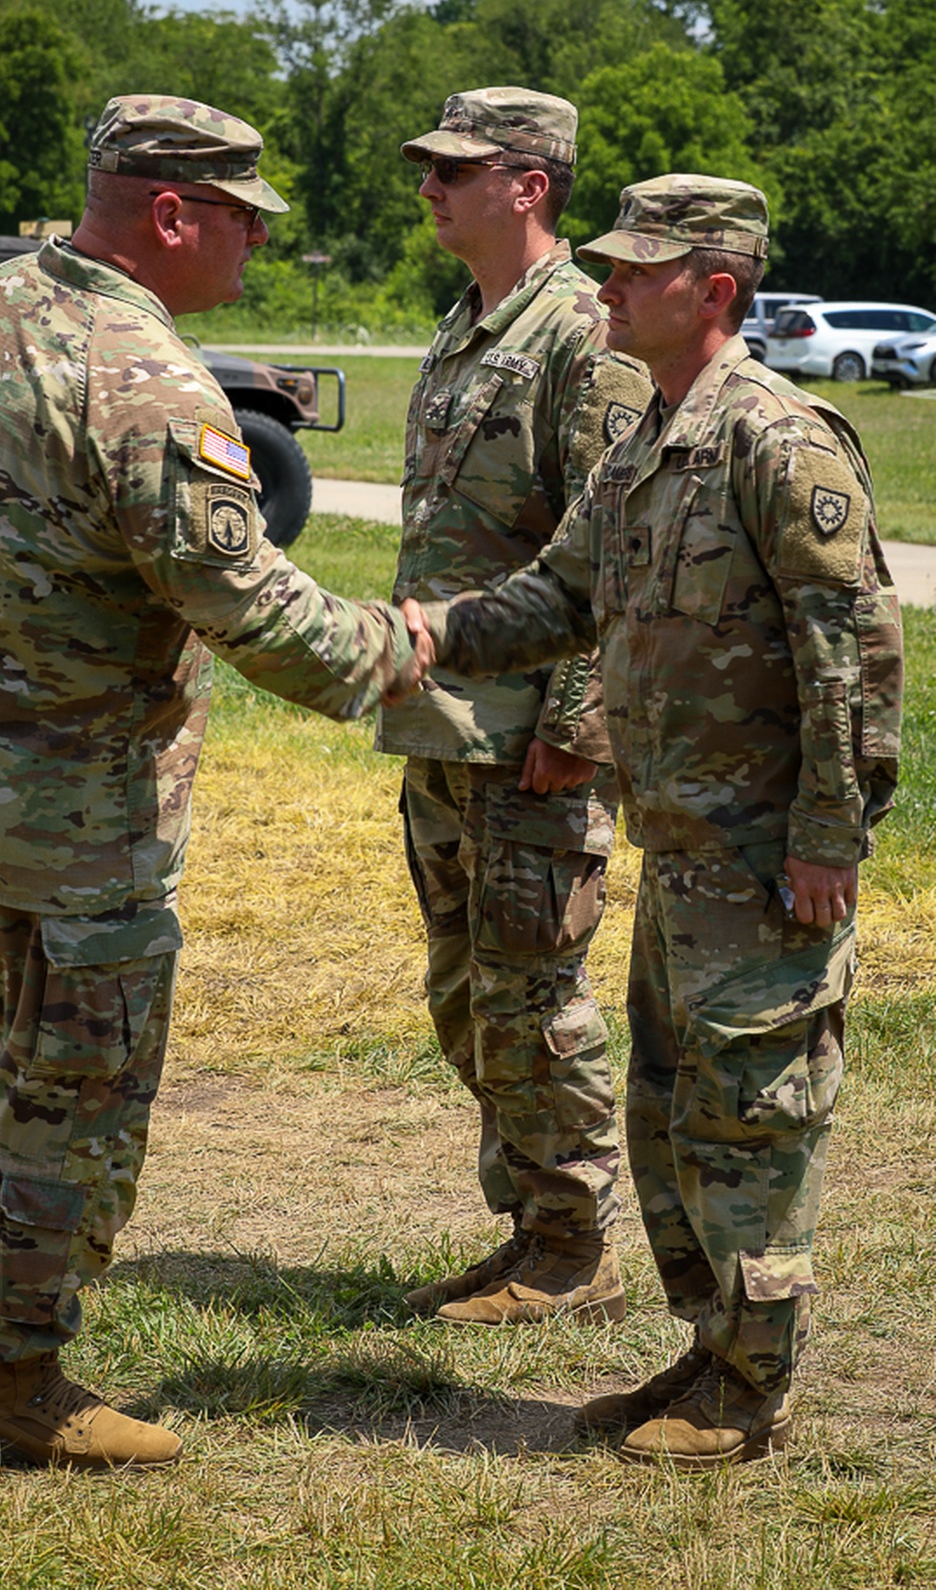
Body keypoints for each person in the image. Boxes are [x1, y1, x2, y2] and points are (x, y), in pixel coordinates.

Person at [0, 94, 431, 1470]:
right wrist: (403, 649)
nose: (258, 245)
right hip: (76, 823)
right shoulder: (146, 380)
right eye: (245, 219)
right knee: (65, 1093)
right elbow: (250, 605)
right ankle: (15, 1383)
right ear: (170, 214)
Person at [405, 173, 902, 1463]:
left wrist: (827, 840)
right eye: (611, 264)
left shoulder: (778, 441)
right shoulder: (646, 443)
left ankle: (753, 1388)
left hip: (759, 858)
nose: (609, 284)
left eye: (636, 270)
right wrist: (424, 632)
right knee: (673, 1111)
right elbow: (555, 592)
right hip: (678, 846)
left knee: (754, 1119)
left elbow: (849, 656)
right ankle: (707, 1353)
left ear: (713, 292)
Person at [376, 88, 651, 1325]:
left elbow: (617, 542)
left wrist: (576, 719)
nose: (429, 185)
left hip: (530, 737)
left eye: (454, 168)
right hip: (444, 724)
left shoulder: (584, 336)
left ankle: (572, 1244)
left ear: (528, 182)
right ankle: (525, 1219)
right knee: (465, 991)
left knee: (532, 997)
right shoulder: (464, 326)